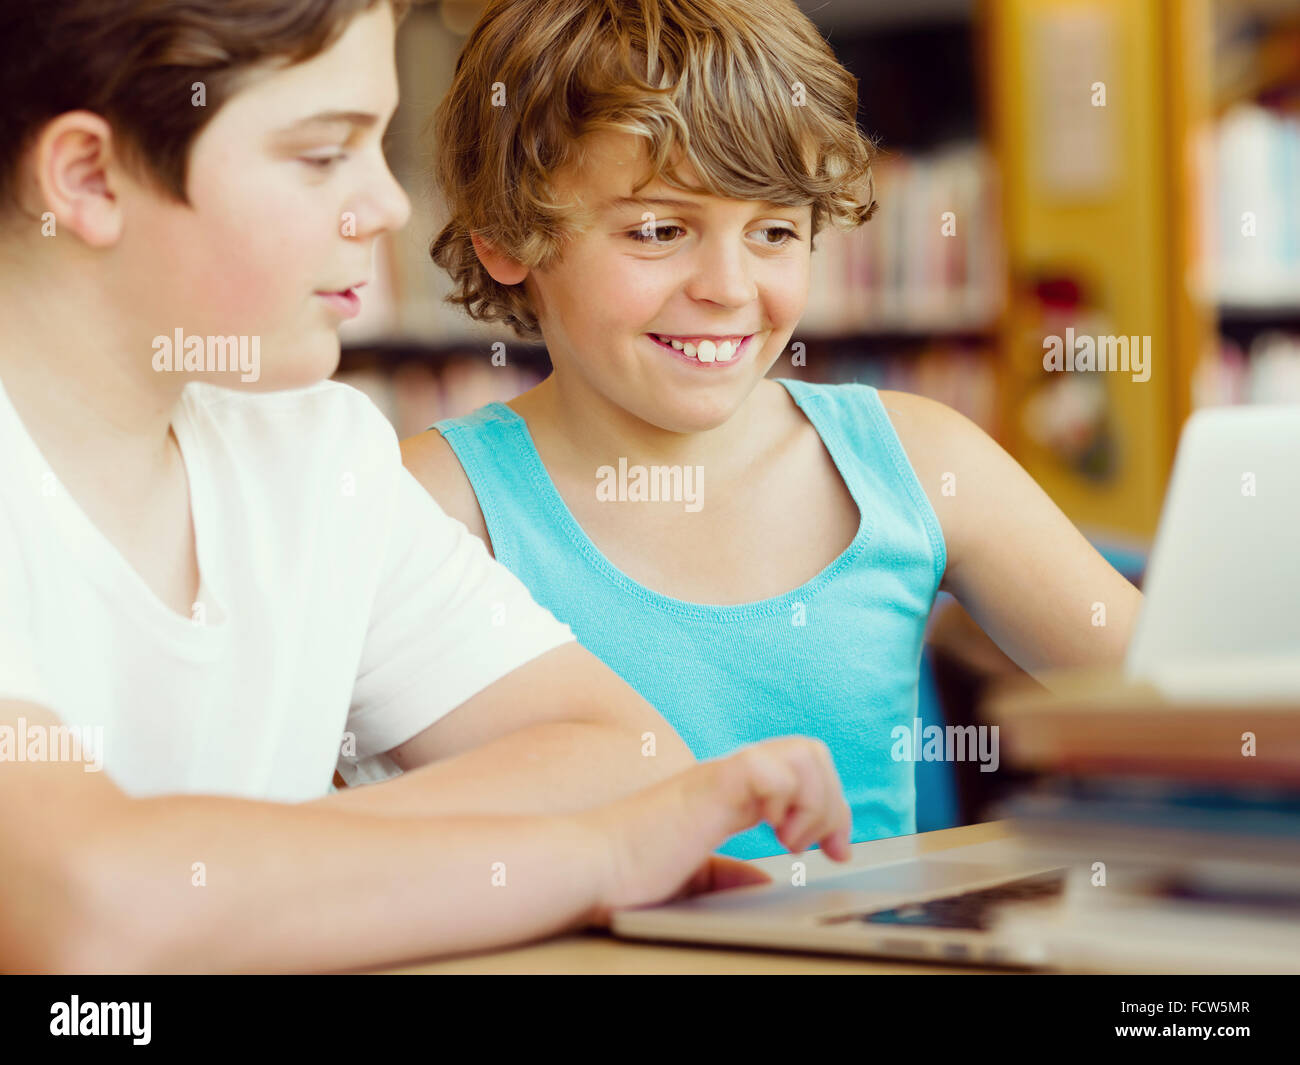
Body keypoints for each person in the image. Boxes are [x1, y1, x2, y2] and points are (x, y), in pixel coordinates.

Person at [0, 0, 851, 973]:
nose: (393, 203)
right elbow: (74, 908)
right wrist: (598, 858)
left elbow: (622, 757)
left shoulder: (315, 459)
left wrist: (222, 873)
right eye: (324, 155)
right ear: (88, 175)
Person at [403, 0, 1144, 858]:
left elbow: (1185, 706)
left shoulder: (920, 459)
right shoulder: (428, 507)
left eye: (775, 230)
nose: (728, 286)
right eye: (659, 229)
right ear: (506, 237)